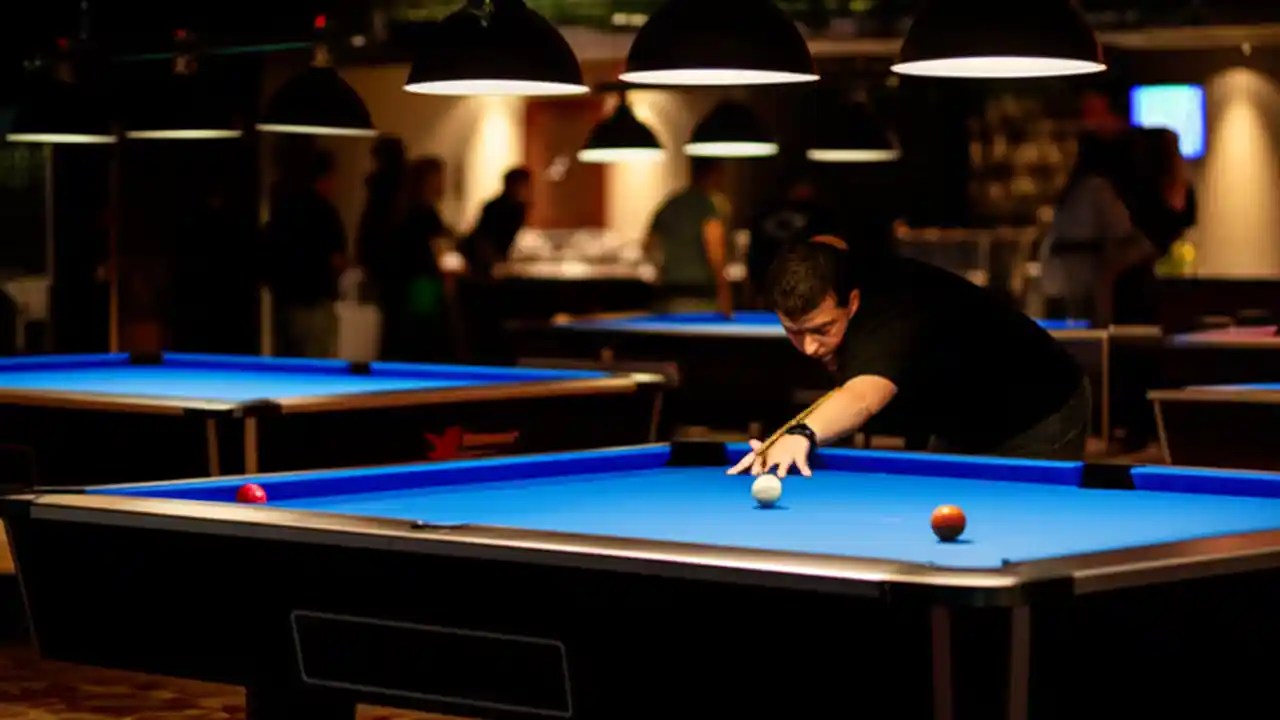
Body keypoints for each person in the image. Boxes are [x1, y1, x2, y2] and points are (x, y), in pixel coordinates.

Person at [728, 239, 1091, 477]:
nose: (809, 347)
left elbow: (863, 396)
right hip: (959, 413)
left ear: (852, 302)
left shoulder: (891, 316)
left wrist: (803, 433)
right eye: (793, 332)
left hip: (1040, 407)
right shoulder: (834, 271)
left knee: (1018, 523)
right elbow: (828, 242)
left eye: (822, 330)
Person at [1042, 133, 1153, 326]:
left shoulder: (1072, 191)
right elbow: (1123, 234)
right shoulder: (1097, 189)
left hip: (1059, 283)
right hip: (1088, 286)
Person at [263, 143, 347, 358]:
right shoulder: (326, 213)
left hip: (285, 302)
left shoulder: (284, 209)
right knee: (317, 366)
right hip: (315, 302)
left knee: (288, 364)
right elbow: (337, 259)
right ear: (326, 177)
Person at [381, 157, 452, 361]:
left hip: (406, 282)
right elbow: (441, 245)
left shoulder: (402, 209)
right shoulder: (423, 213)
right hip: (421, 281)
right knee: (424, 337)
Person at [646, 157, 733, 315]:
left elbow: (648, 246)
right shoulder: (707, 205)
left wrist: (663, 270)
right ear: (715, 173)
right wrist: (724, 291)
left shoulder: (671, 204)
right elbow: (714, 249)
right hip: (699, 296)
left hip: (669, 294)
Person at [747, 174, 833, 306]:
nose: (805, 189)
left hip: (807, 284)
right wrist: (756, 289)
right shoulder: (765, 211)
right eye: (803, 184)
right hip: (769, 283)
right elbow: (755, 253)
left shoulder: (819, 215)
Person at [462, 167, 530, 279]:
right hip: (485, 258)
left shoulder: (495, 205)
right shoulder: (512, 208)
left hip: (484, 257)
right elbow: (486, 237)